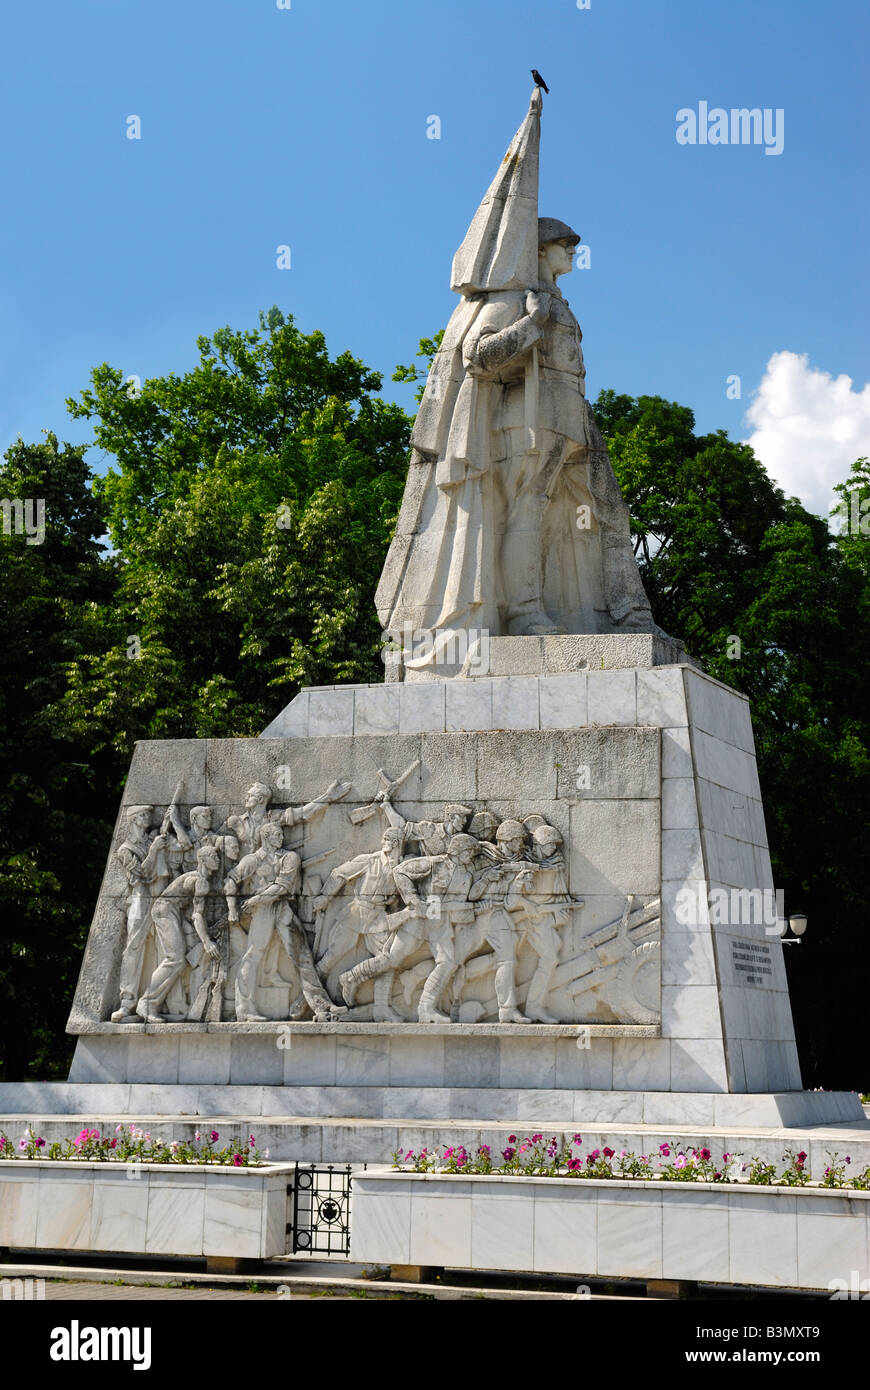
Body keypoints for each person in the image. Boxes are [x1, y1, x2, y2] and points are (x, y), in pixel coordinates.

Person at [340, 834, 480, 1024]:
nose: (471, 856)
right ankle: (351, 977)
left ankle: (426, 1009)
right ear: (460, 851)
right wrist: (412, 899)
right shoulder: (435, 864)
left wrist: (473, 909)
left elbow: (457, 905)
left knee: (448, 963)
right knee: (391, 960)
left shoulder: (466, 876)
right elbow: (400, 872)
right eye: (470, 852)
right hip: (417, 921)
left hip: (440, 925)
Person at [225, 821, 344, 1023]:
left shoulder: (290, 857)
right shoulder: (252, 860)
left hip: (280, 906)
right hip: (262, 911)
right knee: (253, 955)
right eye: (277, 835)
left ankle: (321, 1006)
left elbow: (282, 886)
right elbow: (230, 880)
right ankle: (244, 1009)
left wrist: (255, 899)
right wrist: (231, 908)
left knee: (302, 955)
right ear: (266, 837)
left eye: (281, 835)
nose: (282, 838)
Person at [312, 827, 408, 1021]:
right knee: (334, 954)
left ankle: (382, 1007)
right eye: (384, 839)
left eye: (390, 840)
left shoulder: (402, 866)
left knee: (386, 959)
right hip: (356, 913)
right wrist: (324, 897)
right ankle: (311, 995)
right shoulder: (370, 860)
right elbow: (339, 873)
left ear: (397, 843)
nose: (385, 843)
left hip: (378, 917)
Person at [136, 845, 222, 1023]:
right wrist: (207, 942)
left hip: (173, 912)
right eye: (214, 857)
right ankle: (146, 1003)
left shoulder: (198, 879)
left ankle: (179, 1002)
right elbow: (197, 914)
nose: (218, 860)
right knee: (175, 958)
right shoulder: (200, 881)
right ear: (203, 860)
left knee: (190, 953)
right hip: (165, 911)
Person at [504, 823, 575, 1023]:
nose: (553, 849)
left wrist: (559, 914)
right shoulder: (524, 865)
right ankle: (526, 1007)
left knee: (550, 957)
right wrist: (526, 902)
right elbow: (510, 901)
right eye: (549, 845)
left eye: (555, 845)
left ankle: (533, 1007)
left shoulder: (556, 866)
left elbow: (560, 895)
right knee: (511, 960)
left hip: (542, 918)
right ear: (538, 845)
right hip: (523, 919)